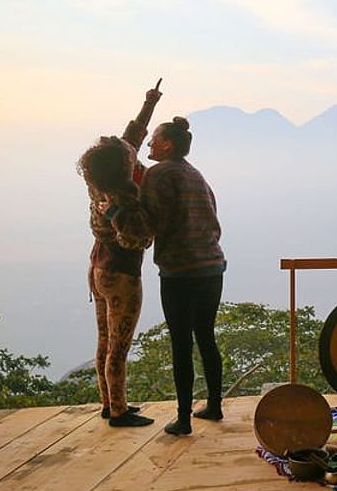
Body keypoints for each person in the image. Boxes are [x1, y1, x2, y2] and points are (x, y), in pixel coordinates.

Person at [77, 82, 161, 427]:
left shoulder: (98, 180)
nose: (133, 150)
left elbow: (132, 136)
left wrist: (149, 103)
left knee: (103, 339)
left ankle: (108, 401)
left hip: (97, 268)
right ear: (123, 166)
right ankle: (119, 411)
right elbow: (136, 238)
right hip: (121, 273)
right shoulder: (123, 194)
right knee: (120, 345)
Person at [141, 115, 227, 435]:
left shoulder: (158, 174)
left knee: (180, 342)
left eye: (153, 139)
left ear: (167, 145)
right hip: (211, 267)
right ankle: (214, 404)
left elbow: (150, 222)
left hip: (180, 271)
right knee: (206, 335)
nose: (149, 144)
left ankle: (183, 418)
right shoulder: (195, 175)